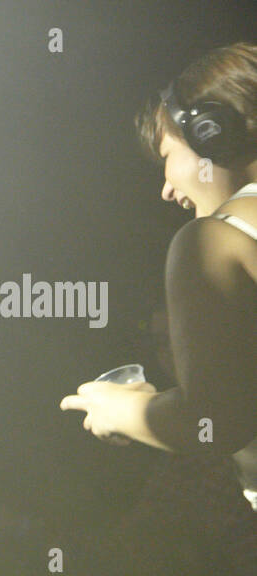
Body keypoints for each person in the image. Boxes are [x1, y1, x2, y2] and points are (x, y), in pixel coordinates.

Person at [60, 43, 257, 488]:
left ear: (212, 133)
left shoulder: (210, 241)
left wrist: (121, 411)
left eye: (167, 160)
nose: (167, 190)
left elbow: (216, 424)